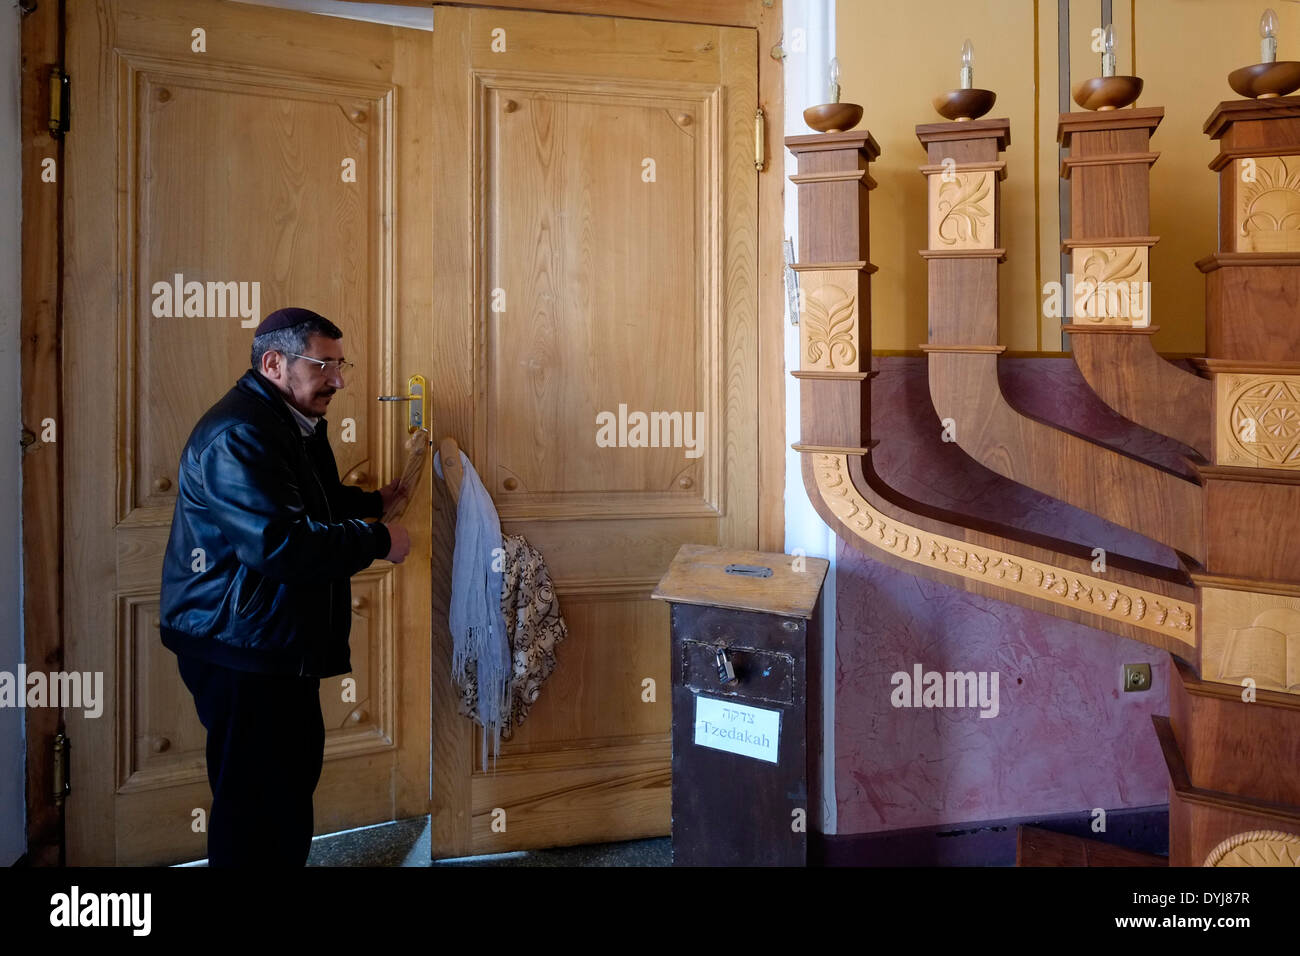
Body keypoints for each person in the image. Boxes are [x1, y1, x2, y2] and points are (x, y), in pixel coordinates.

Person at [158, 306, 411, 867]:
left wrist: (372, 504)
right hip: (238, 646)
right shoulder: (239, 433)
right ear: (275, 363)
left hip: (267, 642)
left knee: (286, 787)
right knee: (255, 805)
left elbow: (303, 499)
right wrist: (376, 541)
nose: (339, 380)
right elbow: (280, 545)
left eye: (341, 366)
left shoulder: (286, 419)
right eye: (325, 365)